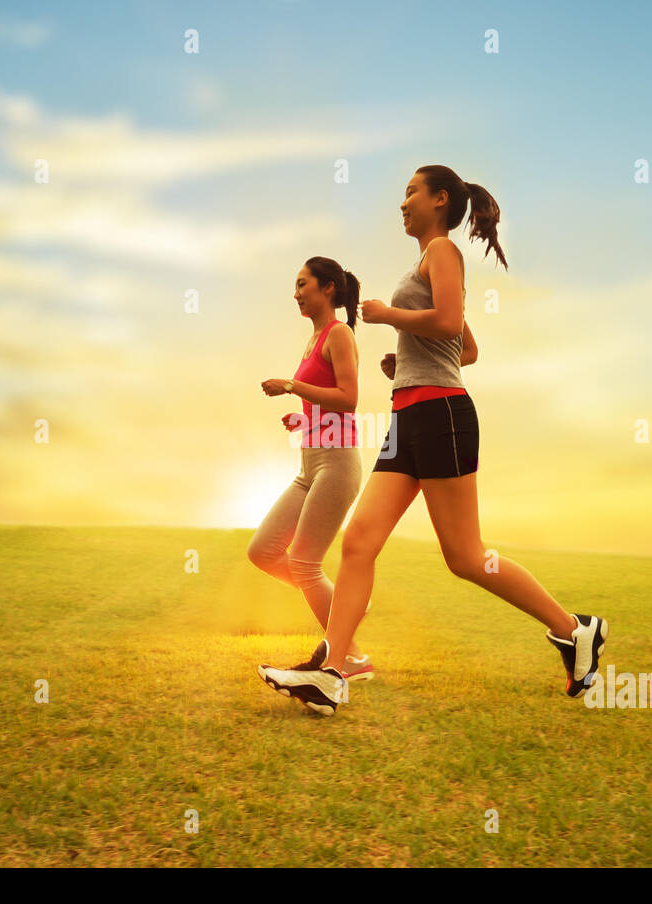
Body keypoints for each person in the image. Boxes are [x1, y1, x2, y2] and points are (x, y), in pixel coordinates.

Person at [257, 166, 608, 716]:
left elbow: (449, 323)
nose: (402, 203)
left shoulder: (443, 252)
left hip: (442, 413)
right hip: (409, 414)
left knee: (466, 557)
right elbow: (463, 347)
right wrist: (407, 359)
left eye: (411, 193)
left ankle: (574, 628)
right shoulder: (424, 262)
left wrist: (387, 316)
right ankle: (333, 673)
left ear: (440, 200)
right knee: (358, 543)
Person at [247, 257, 375, 686]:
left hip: (338, 464)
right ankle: (345, 610)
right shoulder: (313, 339)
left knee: (304, 564)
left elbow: (348, 398)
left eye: (303, 284)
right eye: (295, 286)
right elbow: (326, 406)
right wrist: (301, 419)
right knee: (263, 551)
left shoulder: (339, 334)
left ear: (329, 289)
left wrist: (291, 386)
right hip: (310, 463)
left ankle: (349, 656)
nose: (297, 293)